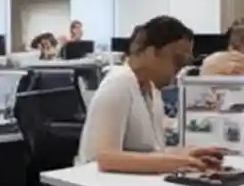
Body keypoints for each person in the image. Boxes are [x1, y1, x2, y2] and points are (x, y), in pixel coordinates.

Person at [77, 15, 224, 173]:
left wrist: (184, 155)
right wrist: (176, 162)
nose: (177, 73)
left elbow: (148, 152)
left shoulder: (151, 90)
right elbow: (105, 158)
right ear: (152, 52)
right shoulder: (118, 83)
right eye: (177, 61)